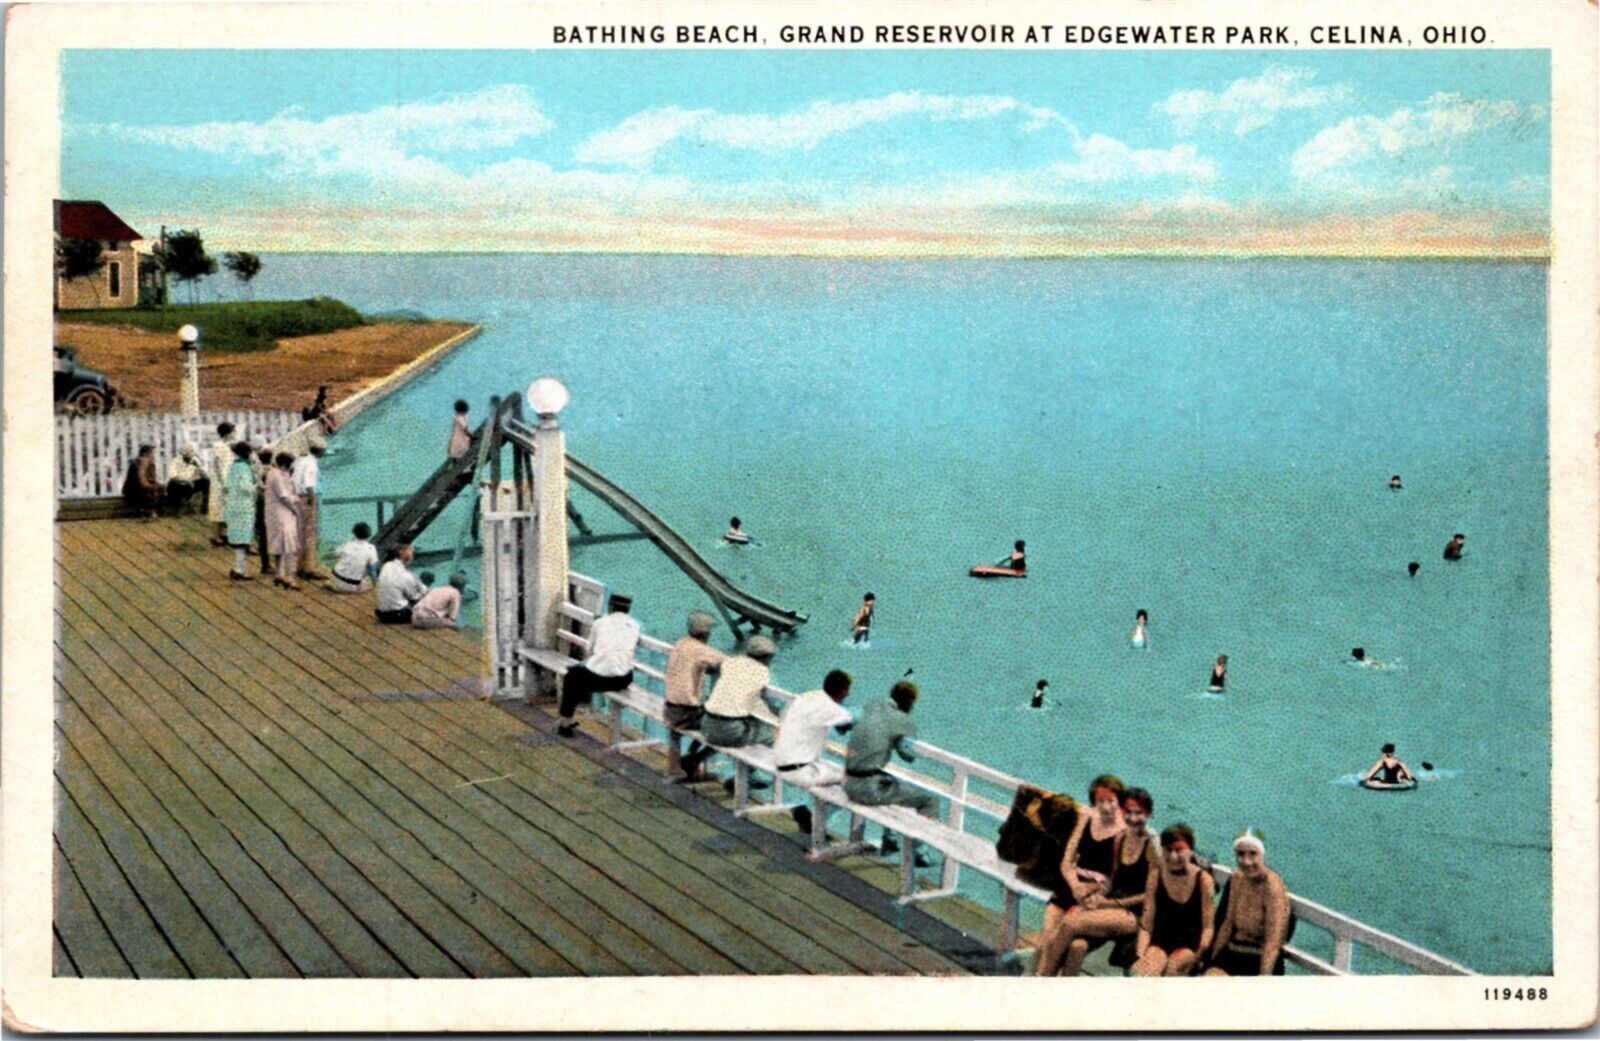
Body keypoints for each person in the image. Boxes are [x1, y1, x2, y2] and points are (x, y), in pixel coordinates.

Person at [1039, 787, 1159, 977]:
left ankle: (1042, 980)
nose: (1133, 818)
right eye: (1128, 812)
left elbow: (1150, 895)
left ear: (1149, 814)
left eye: (1139, 813)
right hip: (1109, 907)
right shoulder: (1120, 839)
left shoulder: (1152, 847)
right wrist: (1095, 896)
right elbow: (1113, 881)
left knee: (1069, 924)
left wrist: (1109, 903)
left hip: (1133, 914)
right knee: (1077, 946)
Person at [1034, 774, 1126, 976]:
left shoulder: (1122, 832)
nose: (1107, 807)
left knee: (1068, 945)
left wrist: (1089, 890)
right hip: (1070, 885)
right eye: (1101, 801)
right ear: (1094, 801)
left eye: (1111, 801)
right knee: (1044, 943)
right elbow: (1067, 861)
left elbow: (1114, 880)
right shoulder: (1086, 816)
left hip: (1094, 894)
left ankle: (1041, 984)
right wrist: (1074, 885)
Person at [843, 680, 941, 858]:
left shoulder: (871, 706)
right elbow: (908, 756)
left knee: (894, 785)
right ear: (910, 703)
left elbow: (848, 722)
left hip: (849, 782)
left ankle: (890, 839)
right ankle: (920, 853)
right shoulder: (904, 720)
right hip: (868, 790)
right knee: (929, 801)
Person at [775, 670, 855, 834]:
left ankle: (804, 808)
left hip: (780, 761)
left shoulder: (805, 697)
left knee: (831, 770)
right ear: (844, 690)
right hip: (801, 771)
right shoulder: (831, 709)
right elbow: (852, 719)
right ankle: (817, 822)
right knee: (852, 782)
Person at [1130, 824, 1215, 977]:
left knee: (1173, 967)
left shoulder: (1204, 880)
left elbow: (1208, 927)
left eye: (1179, 850)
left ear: (1190, 850)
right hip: (1160, 940)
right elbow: (1147, 922)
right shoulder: (1156, 876)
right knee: (1143, 972)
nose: (1173, 856)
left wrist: (1199, 955)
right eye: (1168, 850)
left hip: (1190, 945)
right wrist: (1140, 955)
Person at [1204, 827, 1290, 977]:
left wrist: (1261, 977)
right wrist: (1210, 960)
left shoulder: (1272, 886)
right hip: (1234, 950)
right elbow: (1228, 924)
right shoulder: (1237, 879)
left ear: (1262, 855)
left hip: (1257, 956)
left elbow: (1273, 942)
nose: (1246, 862)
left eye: (1253, 854)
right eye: (1240, 854)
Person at [556, 594, 640, 738]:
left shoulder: (600, 622)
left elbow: (589, 649)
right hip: (622, 679)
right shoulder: (635, 625)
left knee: (572, 677)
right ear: (628, 610)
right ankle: (576, 707)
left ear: (611, 607)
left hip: (601, 679)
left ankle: (565, 722)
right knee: (580, 673)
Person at [690, 635, 781, 755]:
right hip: (729, 731)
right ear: (767, 657)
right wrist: (778, 719)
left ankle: (696, 757)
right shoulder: (762, 671)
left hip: (706, 724)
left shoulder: (730, 662)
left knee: (739, 723)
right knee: (774, 734)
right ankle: (756, 771)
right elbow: (757, 703)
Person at [663, 611, 725, 778]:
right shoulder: (701, 650)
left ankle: (679, 764)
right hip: (686, 713)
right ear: (705, 633)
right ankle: (694, 759)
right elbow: (725, 661)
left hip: (669, 708)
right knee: (725, 728)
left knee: (701, 716)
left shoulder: (680, 643)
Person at [263, 452, 302, 589]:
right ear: (286, 464)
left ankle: (280, 573)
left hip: (274, 513)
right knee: (288, 545)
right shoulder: (278, 476)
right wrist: (295, 509)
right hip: (282, 513)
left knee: (279, 544)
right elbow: (284, 497)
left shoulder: (272, 473)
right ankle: (288, 577)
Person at [292, 440, 329, 579]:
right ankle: (309, 568)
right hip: (307, 498)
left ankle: (298, 565)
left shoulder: (300, 461)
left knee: (300, 533)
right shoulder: (312, 464)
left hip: (297, 498)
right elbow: (309, 483)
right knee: (310, 534)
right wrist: (313, 500)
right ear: (319, 450)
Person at [221, 442, 259, 580]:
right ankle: (240, 570)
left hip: (233, 505)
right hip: (243, 507)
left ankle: (239, 568)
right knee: (243, 540)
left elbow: (226, 486)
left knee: (238, 540)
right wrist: (257, 486)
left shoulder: (234, 466)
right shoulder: (244, 467)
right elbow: (245, 487)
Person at [375, 544, 428, 624]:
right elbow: (414, 598)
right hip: (397, 615)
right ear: (410, 559)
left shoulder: (387, 566)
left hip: (381, 614)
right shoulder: (407, 576)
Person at [330, 522, 380, 594]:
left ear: (354, 533)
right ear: (369, 534)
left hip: (337, 578)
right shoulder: (371, 548)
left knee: (345, 558)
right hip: (353, 584)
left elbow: (336, 553)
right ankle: (372, 585)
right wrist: (374, 584)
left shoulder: (348, 544)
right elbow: (372, 568)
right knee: (374, 563)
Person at [207, 421, 235, 543]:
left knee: (226, 508)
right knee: (217, 508)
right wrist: (223, 482)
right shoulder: (219, 446)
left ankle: (223, 533)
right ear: (229, 433)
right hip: (220, 482)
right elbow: (218, 466)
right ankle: (215, 535)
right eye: (234, 432)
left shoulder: (229, 446)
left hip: (227, 479)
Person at [164, 442, 209, 514]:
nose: (189, 457)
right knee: (172, 484)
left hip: (191, 484)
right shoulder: (176, 461)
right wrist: (185, 481)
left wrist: (198, 466)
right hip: (179, 485)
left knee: (206, 481)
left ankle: (204, 507)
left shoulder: (195, 461)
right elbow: (173, 477)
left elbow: (205, 475)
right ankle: (176, 507)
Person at [121, 444, 162, 520]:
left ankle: (149, 511)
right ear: (145, 454)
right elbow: (141, 478)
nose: (153, 455)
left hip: (136, 488)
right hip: (134, 488)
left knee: (155, 489)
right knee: (149, 490)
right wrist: (151, 486)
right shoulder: (143, 461)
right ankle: (147, 512)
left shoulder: (150, 463)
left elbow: (153, 478)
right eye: (151, 453)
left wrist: (157, 484)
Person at [251, 446, 274, 575]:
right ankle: (274, 564)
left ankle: (265, 564)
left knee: (262, 535)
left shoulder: (255, 470)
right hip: (270, 505)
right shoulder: (273, 471)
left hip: (259, 503)